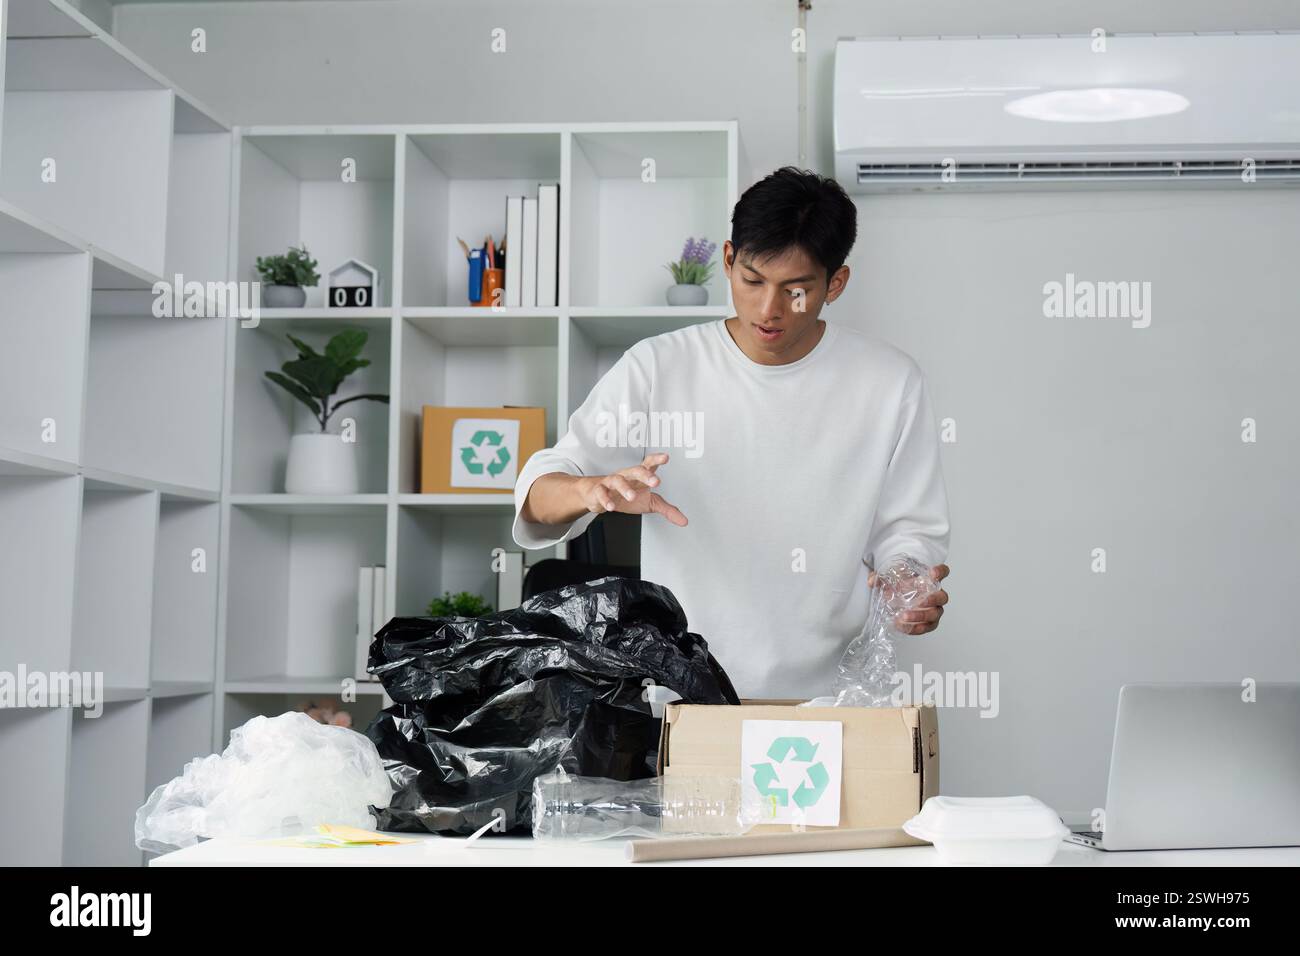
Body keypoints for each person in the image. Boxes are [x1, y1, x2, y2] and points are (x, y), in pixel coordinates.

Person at [512, 166, 950, 699]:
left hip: (833, 697)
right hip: (685, 693)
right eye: (752, 280)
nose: (768, 310)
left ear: (835, 283)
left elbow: (908, 530)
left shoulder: (889, 382)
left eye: (796, 290)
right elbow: (538, 494)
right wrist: (587, 491)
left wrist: (909, 581)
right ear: (726, 259)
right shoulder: (659, 367)